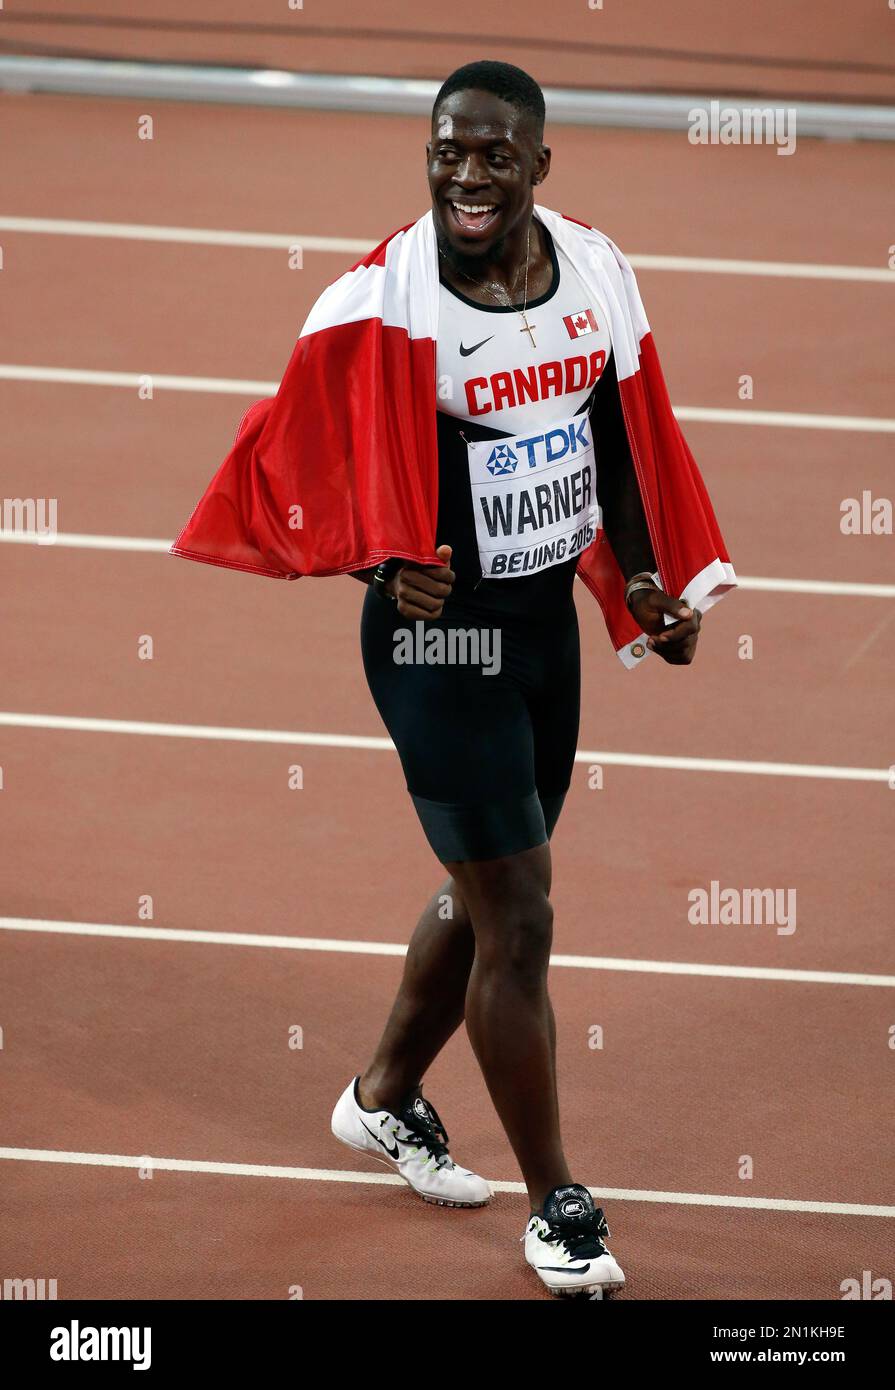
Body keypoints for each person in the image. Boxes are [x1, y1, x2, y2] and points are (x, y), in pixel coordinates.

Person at [172, 59, 734, 1299]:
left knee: (489, 890)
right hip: (439, 641)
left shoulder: (592, 269)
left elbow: (617, 429)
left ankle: (381, 1098)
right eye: (446, 152)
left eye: (492, 156)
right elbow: (286, 457)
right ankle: (557, 1206)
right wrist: (375, 560)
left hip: (541, 624)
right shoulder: (378, 302)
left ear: (539, 165)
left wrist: (643, 581)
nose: (465, 177)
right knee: (521, 915)